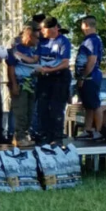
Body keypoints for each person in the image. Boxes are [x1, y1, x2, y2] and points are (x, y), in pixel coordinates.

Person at [36, 17, 72, 145]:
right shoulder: (41, 41)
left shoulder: (63, 41)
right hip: (44, 78)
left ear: (54, 28)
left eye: (44, 29)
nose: (42, 31)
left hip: (59, 77)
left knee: (56, 108)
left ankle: (57, 137)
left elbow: (65, 63)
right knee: (42, 108)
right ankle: (45, 135)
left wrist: (50, 70)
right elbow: (35, 57)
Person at [6, 24, 41, 147]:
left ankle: (24, 136)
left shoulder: (33, 50)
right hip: (20, 84)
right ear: (29, 36)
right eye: (36, 38)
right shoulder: (16, 50)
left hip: (31, 84)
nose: (38, 40)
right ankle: (19, 137)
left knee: (30, 112)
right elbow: (11, 68)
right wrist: (14, 84)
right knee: (20, 112)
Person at [75, 15, 104, 141]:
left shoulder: (92, 40)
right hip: (87, 77)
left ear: (86, 25)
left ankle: (98, 131)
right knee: (88, 105)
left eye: (82, 24)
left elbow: (92, 61)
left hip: (91, 77)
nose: (81, 27)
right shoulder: (88, 40)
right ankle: (88, 129)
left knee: (95, 104)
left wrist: (83, 76)